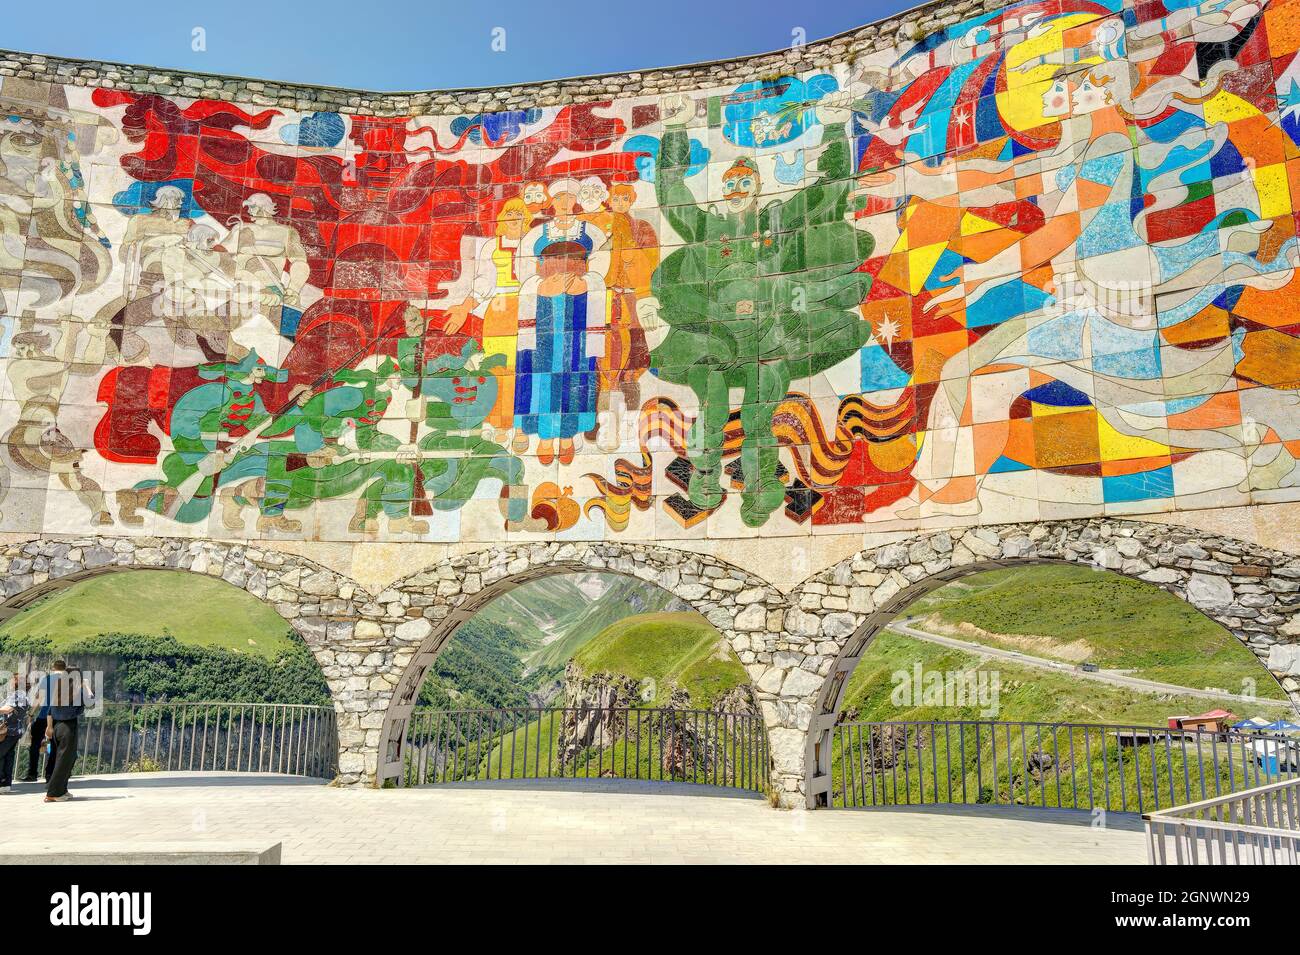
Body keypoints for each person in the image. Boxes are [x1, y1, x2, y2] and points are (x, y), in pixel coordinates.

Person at [41, 660, 93, 803]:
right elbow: (91, 702)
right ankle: (53, 793)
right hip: (68, 728)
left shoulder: (59, 689)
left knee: (66, 759)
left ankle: (62, 790)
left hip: (57, 727)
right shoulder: (77, 691)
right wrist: (87, 686)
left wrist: (49, 727)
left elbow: (50, 710)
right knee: (64, 761)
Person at [16, 667, 52, 784]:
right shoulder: (68, 681)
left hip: (44, 716)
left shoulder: (47, 679)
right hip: (60, 718)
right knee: (57, 745)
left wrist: (31, 714)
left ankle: (32, 774)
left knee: (35, 745)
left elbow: (39, 698)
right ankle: (51, 774)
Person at [0, 672, 30, 793]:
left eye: (12, 680)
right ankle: (6, 784)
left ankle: (2, 781)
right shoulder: (23, 695)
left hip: (8, 731)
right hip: (14, 731)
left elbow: (8, 709)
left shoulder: (18, 694)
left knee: (2, 755)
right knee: (8, 756)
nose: (10, 682)